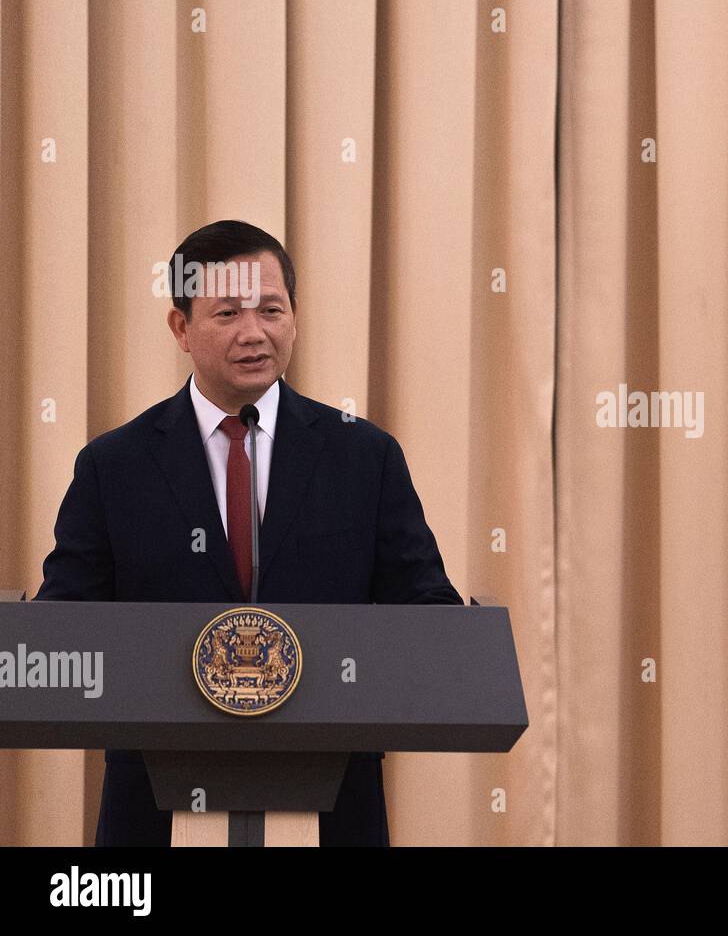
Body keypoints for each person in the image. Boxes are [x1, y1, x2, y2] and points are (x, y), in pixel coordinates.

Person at [34, 219, 463, 846]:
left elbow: (426, 609)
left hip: (332, 805)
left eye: (271, 309)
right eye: (227, 313)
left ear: (294, 316)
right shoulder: (114, 466)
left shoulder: (363, 456)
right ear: (180, 327)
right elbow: (65, 626)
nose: (253, 333)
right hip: (155, 807)